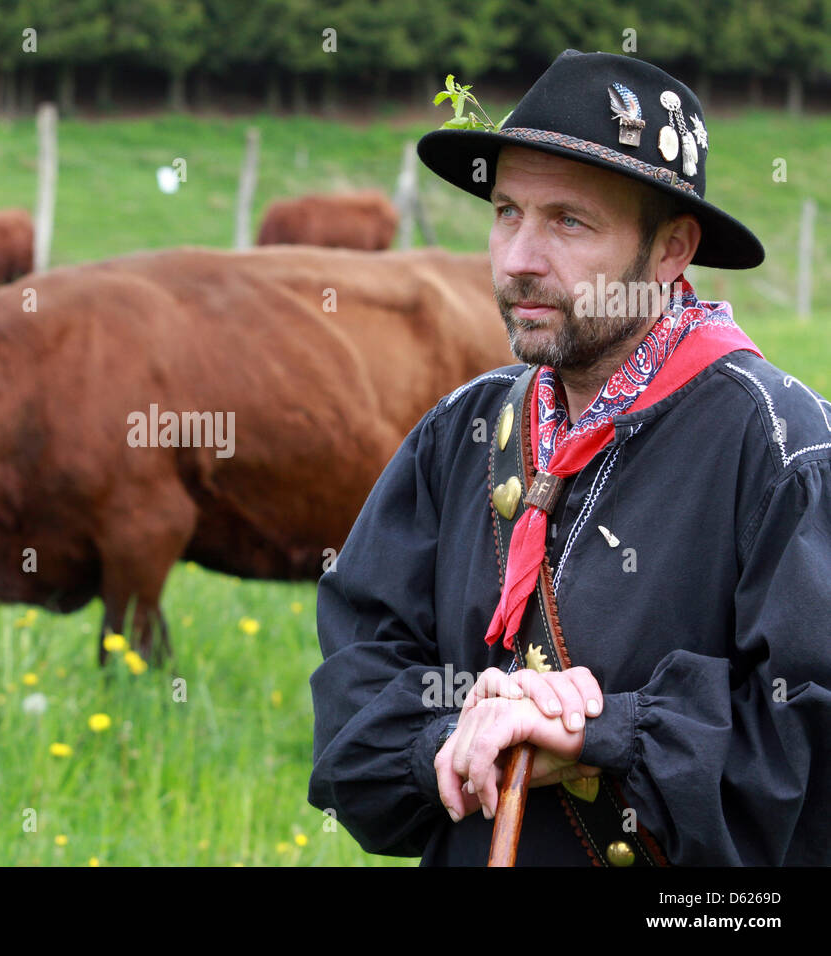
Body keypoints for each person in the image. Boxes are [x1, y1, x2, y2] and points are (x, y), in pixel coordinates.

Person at [307, 49, 831, 865]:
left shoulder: (782, 450)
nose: (518, 258)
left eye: (568, 221)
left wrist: (603, 733)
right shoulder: (460, 433)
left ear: (670, 251)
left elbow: (807, 751)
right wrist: (463, 736)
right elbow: (355, 711)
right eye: (507, 212)